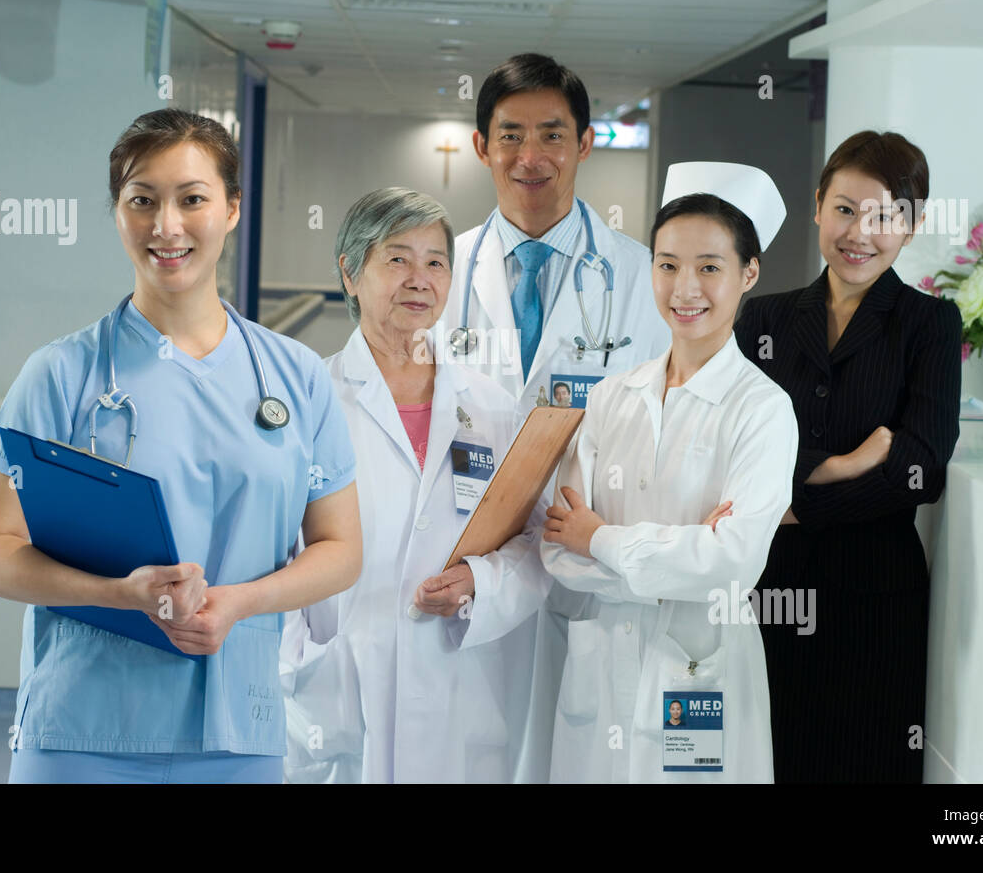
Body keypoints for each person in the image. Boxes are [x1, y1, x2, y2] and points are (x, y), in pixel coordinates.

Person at [0, 109, 361, 784]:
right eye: (141, 200)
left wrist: (238, 603)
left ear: (232, 209)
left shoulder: (295, 377)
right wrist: (121, 593)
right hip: (82, 728)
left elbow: (340, 549)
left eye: (192, 199)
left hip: (238, 730)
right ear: (118, 214)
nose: (165, 226)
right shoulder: (61, 374)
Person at [436, 52, 671, 781]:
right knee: (470, 753)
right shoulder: (440, 270)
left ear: (586, 142)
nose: (529, 157)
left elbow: (663, 421)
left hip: (587, 569)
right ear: (481, 146)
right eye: (509, 135)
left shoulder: (641, 275)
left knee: (572, 757)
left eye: (551, 135)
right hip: (467, 562)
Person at [279, 187, 551, 783]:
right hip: (340, 691)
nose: (419, 278)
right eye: (397, 258)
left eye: (435, 262)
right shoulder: (307, 401)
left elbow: (535, 543)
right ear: (350, 273)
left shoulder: (492, 408)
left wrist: (481, 581)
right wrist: (297, 659)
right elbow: (267, 549)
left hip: (460, 689)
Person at [541, 162, 798, 783]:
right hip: (601, 667)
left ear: (749, 273)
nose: (685, 288)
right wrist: (680, 559)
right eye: (667, 264)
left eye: (710, 266)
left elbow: (733, 564)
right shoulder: (611, 397)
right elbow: (559, 549)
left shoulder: (762, 409)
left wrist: (603, 539)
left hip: (698, 670)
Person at [733, 130, 962, 783]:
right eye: (844, 208)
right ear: (816, 206)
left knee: (867, 765)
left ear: (912, 225)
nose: (860, 231)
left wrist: (791, 502)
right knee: (767, 760)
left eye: (886, 215)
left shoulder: (930, 325)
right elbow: (737, 444)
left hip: (875, 601)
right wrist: (846, 463)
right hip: (768, 589)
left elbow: (919, 467)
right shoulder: (764, 320)